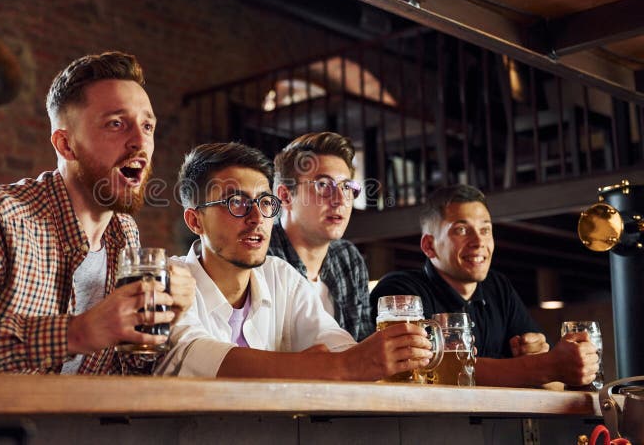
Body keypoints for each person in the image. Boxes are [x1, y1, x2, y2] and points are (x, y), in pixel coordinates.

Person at [0, 51, 195, 374]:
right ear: (66, 146)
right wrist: (74, 333)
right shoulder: (0, 217)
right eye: (116, 124)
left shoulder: (124, 232)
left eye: (147, 126)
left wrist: (163, 321)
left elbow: (123, 368)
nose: (140, 141)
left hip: (79, 424)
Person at [157, 142, 433, 380]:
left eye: (265, 202)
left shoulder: (280, 276)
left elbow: (334, 343)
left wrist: (363, 358)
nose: (257, 218)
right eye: (236, 202)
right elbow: (189, 355)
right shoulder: (172, 279)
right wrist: (333, 367)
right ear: (195, 221)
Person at [369, 184, 599, 388]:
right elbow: (434, 371)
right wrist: (545, 366)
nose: (478, 242)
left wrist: (536, 352)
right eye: (461, 230)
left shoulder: (497, 287)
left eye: (485, 230)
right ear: (429, 246)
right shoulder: (402, 292)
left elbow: (541, 364)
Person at [268, 132, 372, 341]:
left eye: (346, 187)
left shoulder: (348, 258)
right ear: (286, 196)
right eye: (323, 185)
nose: (341, 200)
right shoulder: (261, 256)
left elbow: (362, 345)